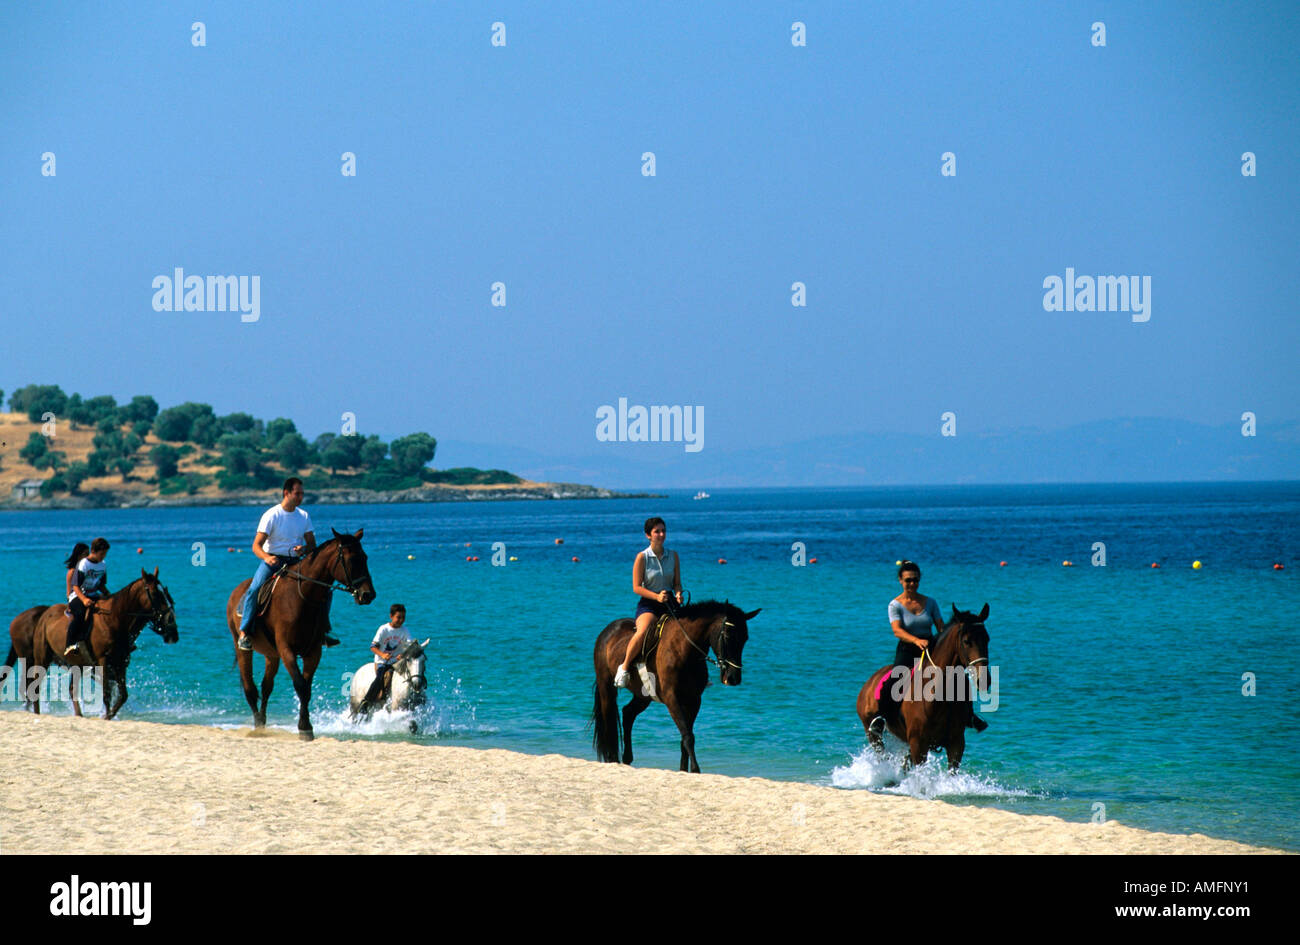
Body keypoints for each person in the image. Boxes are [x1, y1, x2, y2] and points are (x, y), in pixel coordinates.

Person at [874, 560, 986, 732]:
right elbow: (897, 631)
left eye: (915, 580)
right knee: (894, 680)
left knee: (959, 676)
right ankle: (881, 718)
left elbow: (941, 626)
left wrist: (946, 640)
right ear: (900, 581)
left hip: (931, 646)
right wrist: (915, 640)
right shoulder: (894, 605)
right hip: (907, 648)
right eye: (908, 580)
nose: (912, 584)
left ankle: (969, 715)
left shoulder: (930, 602)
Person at [237, 477, 338, 650]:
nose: (300, 497)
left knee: (325, 591)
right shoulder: (272, 515)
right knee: (255, 588)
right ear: (286, 493)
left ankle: (322, 630)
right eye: (297, 493)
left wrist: (304, 549)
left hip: (296, 562)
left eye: (302, 494)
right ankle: (244, 632)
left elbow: (312, 545)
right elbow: (256, 546)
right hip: (273, 560)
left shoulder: (304, 516)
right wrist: (267, 558)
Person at [615, 517, 682, 689]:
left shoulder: (673, 556)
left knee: (691, 630)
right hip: (649, 603)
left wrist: (679, 593)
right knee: (643, 631)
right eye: (657, 531)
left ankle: (696, 674)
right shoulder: (642, 557)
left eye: (663, 531)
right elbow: (636, 587)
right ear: (648, 535)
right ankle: (624, 668)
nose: (661, 534)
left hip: (670, 602)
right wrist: (656, 597)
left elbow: (677, 584)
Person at [355, 604, 413, 714]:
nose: (401, 620)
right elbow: (373, 647)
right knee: (381, 677)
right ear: (391, 616)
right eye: (398, 617)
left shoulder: (405, 630)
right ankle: (366, 701)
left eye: (403, 617)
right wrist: (382, 655)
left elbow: (409, 646)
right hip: (382, 662)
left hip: (397, 662)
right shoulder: (384, 629)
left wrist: (404, 655)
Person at [64, 538, 110, 659]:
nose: (103, 556)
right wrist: (84, 599)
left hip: (94, 595)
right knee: (80, 614)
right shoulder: (84, 564)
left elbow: (101, 584)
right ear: (93, 551)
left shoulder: (103, 565)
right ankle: (70, 644)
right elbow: (76, 585)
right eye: (102, 553)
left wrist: (109, 595)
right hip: (78, 595)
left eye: (105, 553)